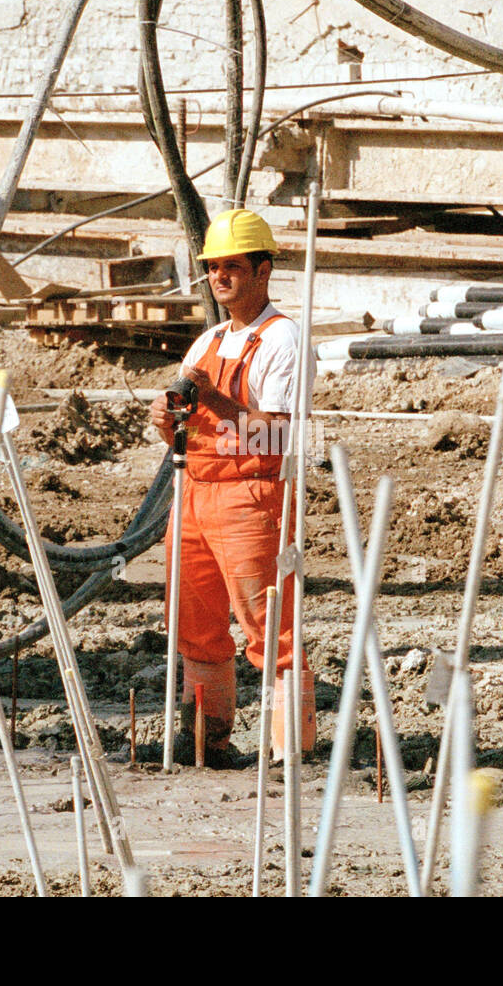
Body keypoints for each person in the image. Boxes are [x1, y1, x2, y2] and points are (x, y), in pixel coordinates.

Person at [149, 208, 316, 766]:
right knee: (194, 627)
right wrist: (166, 419)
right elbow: (185, 425)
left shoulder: (283, 339)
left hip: (251, 495)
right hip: (195, 494)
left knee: (271, 631)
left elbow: (279, 437)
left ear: (264, 270)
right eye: (214, 267)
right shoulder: (207, 341)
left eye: (234, 266)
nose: (222, 277)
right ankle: (209, 742)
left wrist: (213, 401)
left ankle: (292, 756)